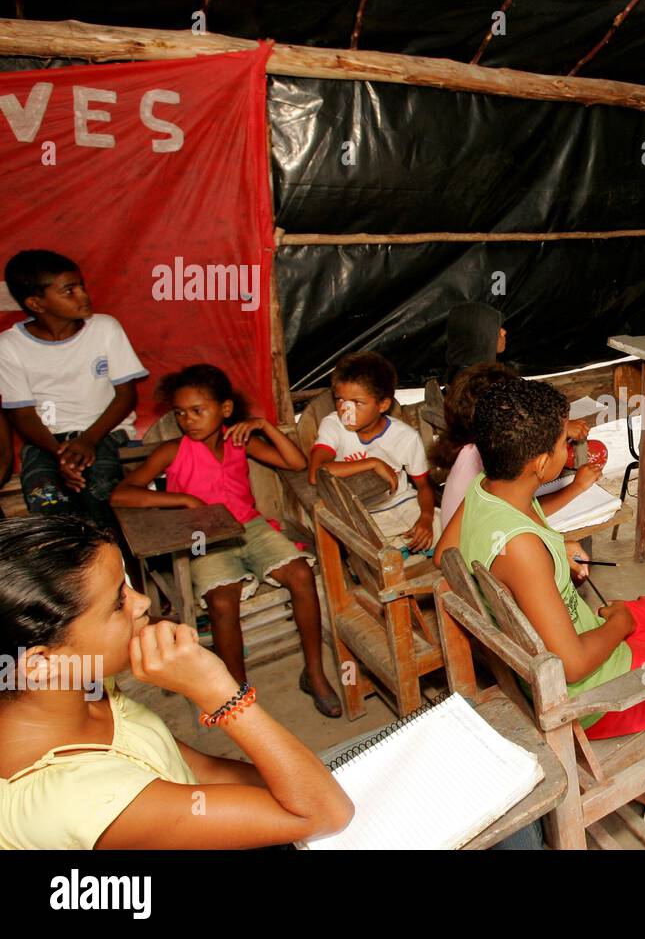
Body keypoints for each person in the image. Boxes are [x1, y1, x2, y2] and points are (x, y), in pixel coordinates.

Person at [434, 378, 645, 846]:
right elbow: (572, 664)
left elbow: (445, 559)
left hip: (570, 632)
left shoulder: (484, 490)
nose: (568, 449)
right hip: (589, 692)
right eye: (562, 443)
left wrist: (551, 556)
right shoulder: (522, 549)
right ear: (539, 463)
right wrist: (618, 623)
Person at [0, 515, 354, 848]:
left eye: (127, 584)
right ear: (42, 664)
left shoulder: (86, 687)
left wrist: (291, 786)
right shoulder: (78, 799)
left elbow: (198, 769)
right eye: (118, 603)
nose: (143, 602)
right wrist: (219, 692)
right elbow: (328, 812)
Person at [110, 364, 342, 718]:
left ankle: (314, 672)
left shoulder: (241, 441)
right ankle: (237, 692)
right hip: (203, 536)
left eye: (198, 411)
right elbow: (122, 495)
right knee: (221, 602)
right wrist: (184, 501)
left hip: (251, 527)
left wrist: (263, 426)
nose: (188, 420)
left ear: (226, 409)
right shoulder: (172, 451)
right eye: (181, 413)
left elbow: (294, 462)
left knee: (301, 575)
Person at [0, 250, 147, 529]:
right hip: (45, 443)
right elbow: (23, 415)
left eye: (81, 285)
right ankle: (71, 567)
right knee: (48, 503)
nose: (83, 295)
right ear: (36, 303)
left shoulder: (104, 328)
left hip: (103, 433)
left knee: (100, 493)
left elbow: (126, 395)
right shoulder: (9, 346)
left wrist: (88, 439)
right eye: (69, 290)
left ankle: (122, 567)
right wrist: (60, 454)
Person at [434, 362, 601, 527]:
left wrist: (557, 427)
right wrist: (576, 488)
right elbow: (523, 513)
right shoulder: (485, 458)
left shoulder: (478, 447)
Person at [309, 352, 438, 555]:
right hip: (363, 513)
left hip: (405, 504)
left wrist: (427, 518)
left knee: (451, 536)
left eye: (357, 402)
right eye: (340, 399)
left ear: (383, 405)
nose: (345, 409)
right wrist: (372, 463)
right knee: (378, 556)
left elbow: (423, 485)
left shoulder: (405, 436)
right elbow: (317, 472)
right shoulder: (334, 426)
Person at [446, 302, 507, 385]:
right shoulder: (479, 387)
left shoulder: (454, 381)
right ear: (480, 335)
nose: (504, 332)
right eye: (495, 328)